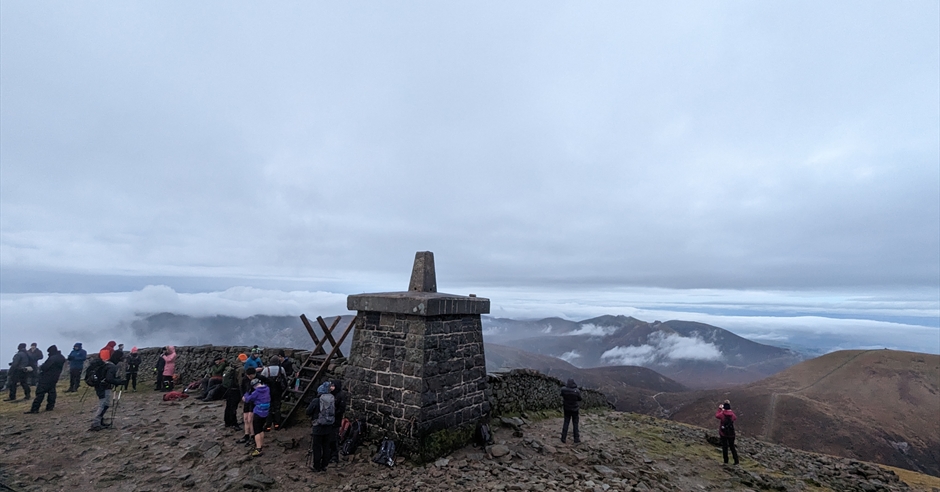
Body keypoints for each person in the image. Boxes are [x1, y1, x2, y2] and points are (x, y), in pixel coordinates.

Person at [90, 351, 126, 431]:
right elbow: (109, 379)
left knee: (103, 404)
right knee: (104, 404)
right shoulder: (112, 366)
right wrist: (119, 382)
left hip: (99, 386)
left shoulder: (107, 364)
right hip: (104, 387)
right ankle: (96, 423)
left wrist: (116, 380)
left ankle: (100, 421)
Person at [306, 381, 336, 472]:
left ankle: (316, 466)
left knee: (317, 447)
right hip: (329, 426)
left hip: (318, 426)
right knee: (326, 446)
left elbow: (308, 411)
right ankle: (324, 465)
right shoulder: (332, 399)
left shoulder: (316, 400)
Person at [26, 345, 66, 413]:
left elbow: (45, 367)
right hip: (55, 377)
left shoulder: (52, 358)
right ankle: (50, 407)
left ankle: (35, 409)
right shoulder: (61, 357)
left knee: (40, 392)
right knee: (52, 392)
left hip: (46, 377)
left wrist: (41, 368)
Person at [242, 378, 271, 457]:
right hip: (266, 412)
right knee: (261, 429)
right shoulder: (267, 388)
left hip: (258, 412)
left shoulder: (256, 392)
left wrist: (245, 395)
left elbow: (247, 399)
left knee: (257, 431)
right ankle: (261, 445)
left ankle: (258, 449)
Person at [259, 356, 286, 430]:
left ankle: (268, 425)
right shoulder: (281, 369)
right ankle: (277, 424)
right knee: (277, 407)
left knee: (269, 407)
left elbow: (261, 379)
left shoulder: (266, 370)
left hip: (268, 391)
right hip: (278, 391)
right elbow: (285, 379)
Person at [236, 367, 258, 445]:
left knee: (250, 419)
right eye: (248, 376)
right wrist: (242, 396)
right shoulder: (245, 379)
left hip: (253, 401)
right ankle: (246, 435)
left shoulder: (258, 379)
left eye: (250, 376)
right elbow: (241, 387)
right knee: (245, 418)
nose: (249, 377)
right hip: (246, 400)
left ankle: (252, 436)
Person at [221, 357, 244, 429]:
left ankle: (227, 422)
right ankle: (234, 423)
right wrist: (242, 391)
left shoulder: (231, 366)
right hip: (235, 389)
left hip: (228, 389)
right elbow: (240, 381)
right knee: (234, 407)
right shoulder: (241, 369)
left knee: (228, 405)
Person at [716, 401, 739, 465]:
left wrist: (720, 409)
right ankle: (736, 461)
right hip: (731, 434)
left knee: (725, 447)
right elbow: (735, 418)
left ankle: (726, 461)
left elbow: (717, 416)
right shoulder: (732, 415)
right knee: (732, 447)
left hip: (723, 433)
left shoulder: (722, 414)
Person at [329, 380, 348, 463]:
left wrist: (334, 413)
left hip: (336, 420)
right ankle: (329, 455)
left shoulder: (340, 396)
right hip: (330, 419)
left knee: (334, 439)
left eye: (333, 386)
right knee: (329, 438)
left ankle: (334, 456)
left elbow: (341, 409)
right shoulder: (331, 395)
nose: (331, 387)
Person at [560, 378, 582, 444]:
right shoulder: (577, 391)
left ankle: (563, 438)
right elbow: (580, 399)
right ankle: (576, 439)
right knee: (575, 424)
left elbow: (561, 395)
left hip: (566, 408)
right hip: (575, 409)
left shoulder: (563, 389)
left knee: (566, 422)